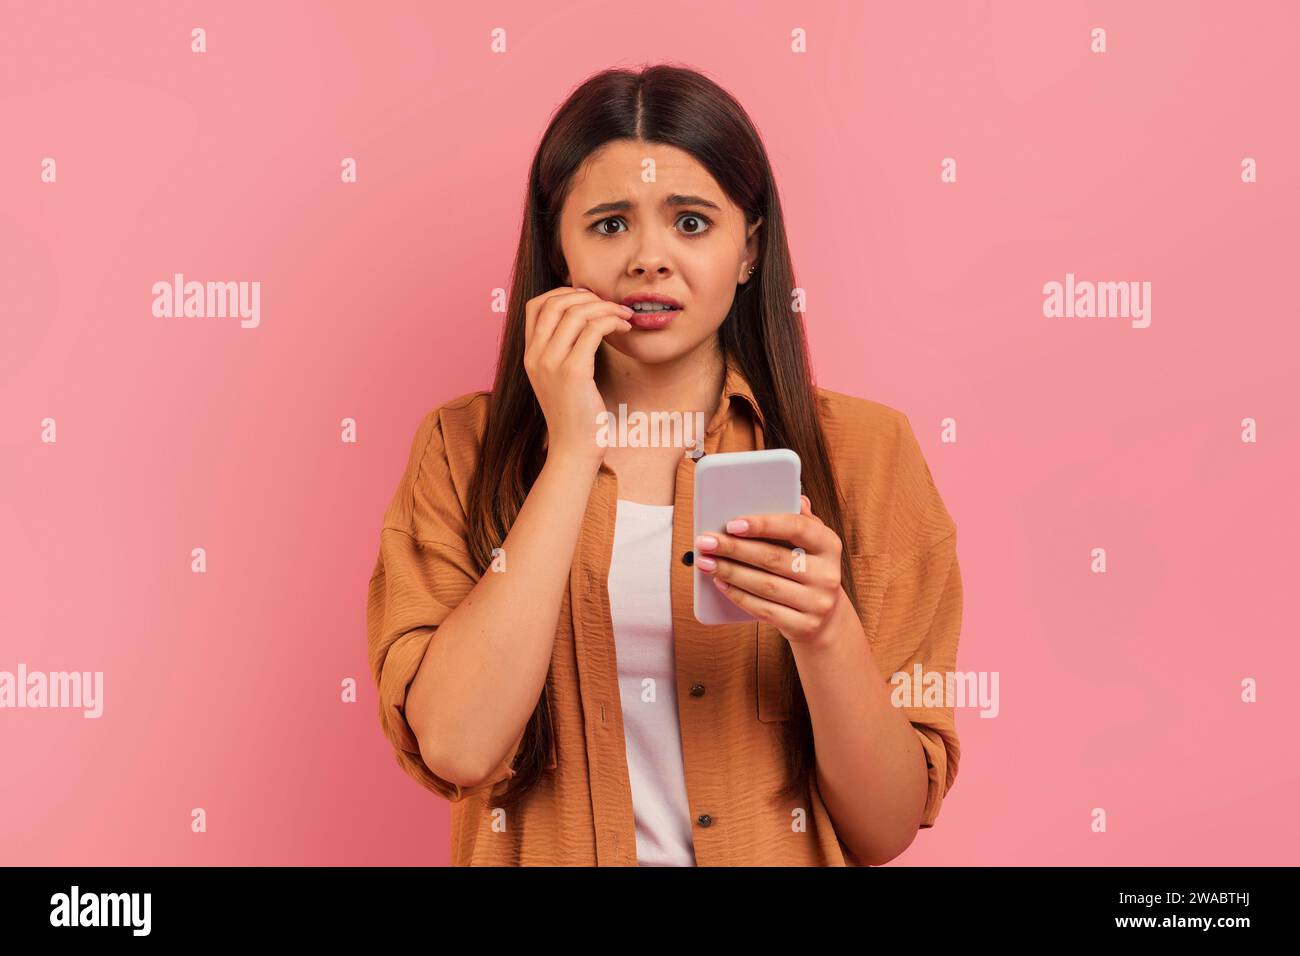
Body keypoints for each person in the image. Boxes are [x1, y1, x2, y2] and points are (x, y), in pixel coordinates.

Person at [366, 63, 963, 866]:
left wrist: (827, 633)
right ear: (558, 247)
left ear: (749, 250)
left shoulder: (870, 454)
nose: (650, 259)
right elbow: (458, 747)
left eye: (691, 223)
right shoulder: (457, 449)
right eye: (610, 225)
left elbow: (884, 828)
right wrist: (573, 450)